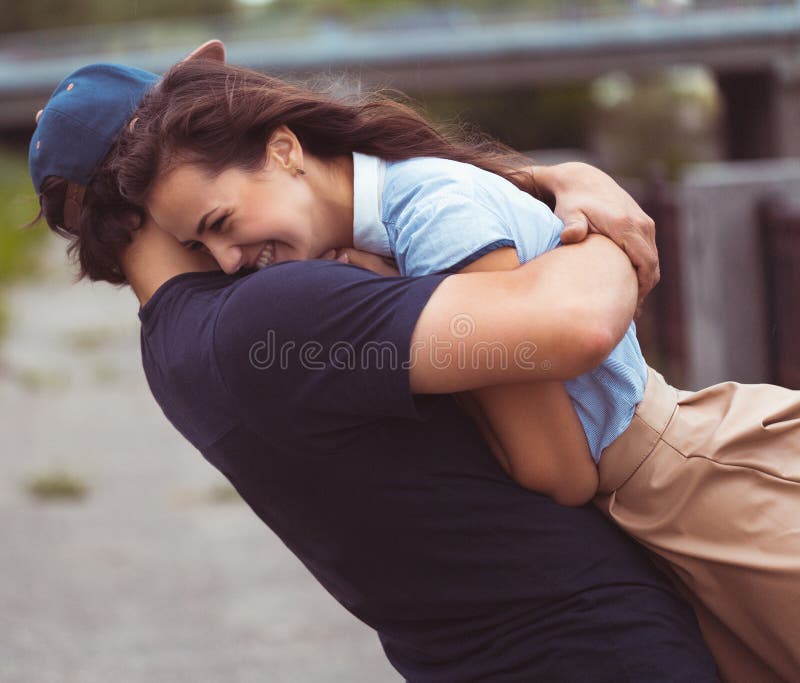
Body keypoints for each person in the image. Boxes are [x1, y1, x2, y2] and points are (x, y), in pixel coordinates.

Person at [26, 44, 724, 682]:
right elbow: (575, 322)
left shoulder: (173, 348)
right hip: (591, 644)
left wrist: (546, 179)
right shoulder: (270, 314)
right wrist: (600, 214)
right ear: (142, 184)